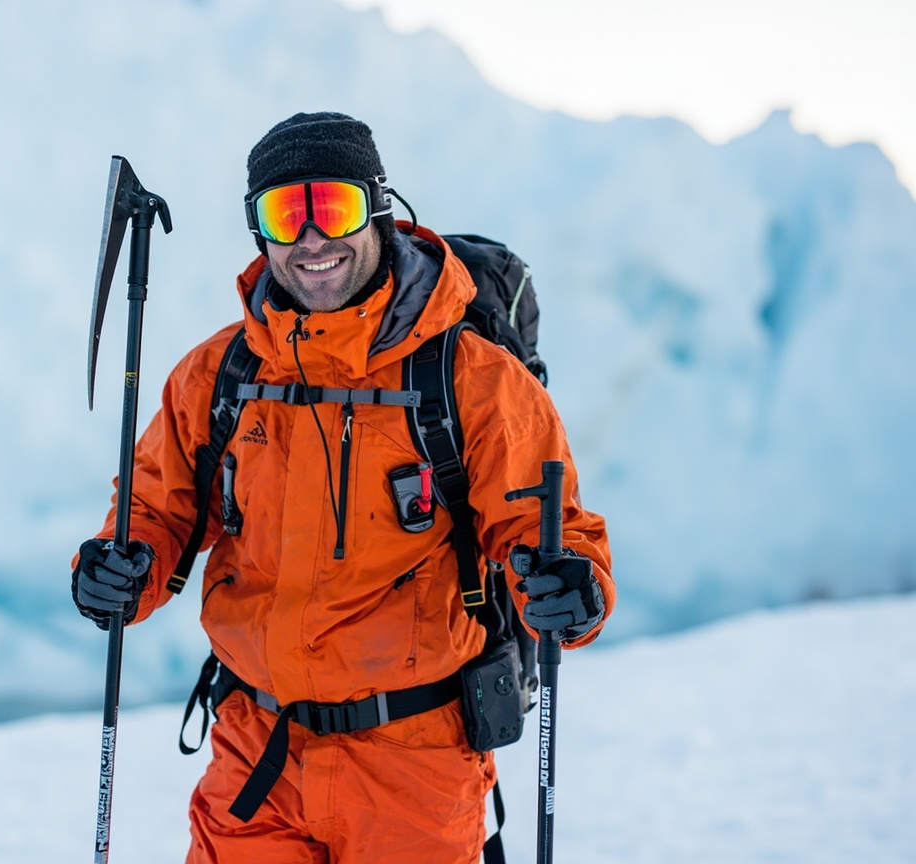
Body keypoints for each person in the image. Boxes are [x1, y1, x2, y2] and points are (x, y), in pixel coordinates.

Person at [72, 111, 614, 864]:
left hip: (415, 768)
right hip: (257, 758)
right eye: (283, 213)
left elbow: (550, 532)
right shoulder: (220, 375)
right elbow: (154, 511)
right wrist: (116, 570)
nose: (311, 239)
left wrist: (570, 590)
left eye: (334, 206)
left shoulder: (474, 381)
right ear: (258, 231)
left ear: (379, 208)